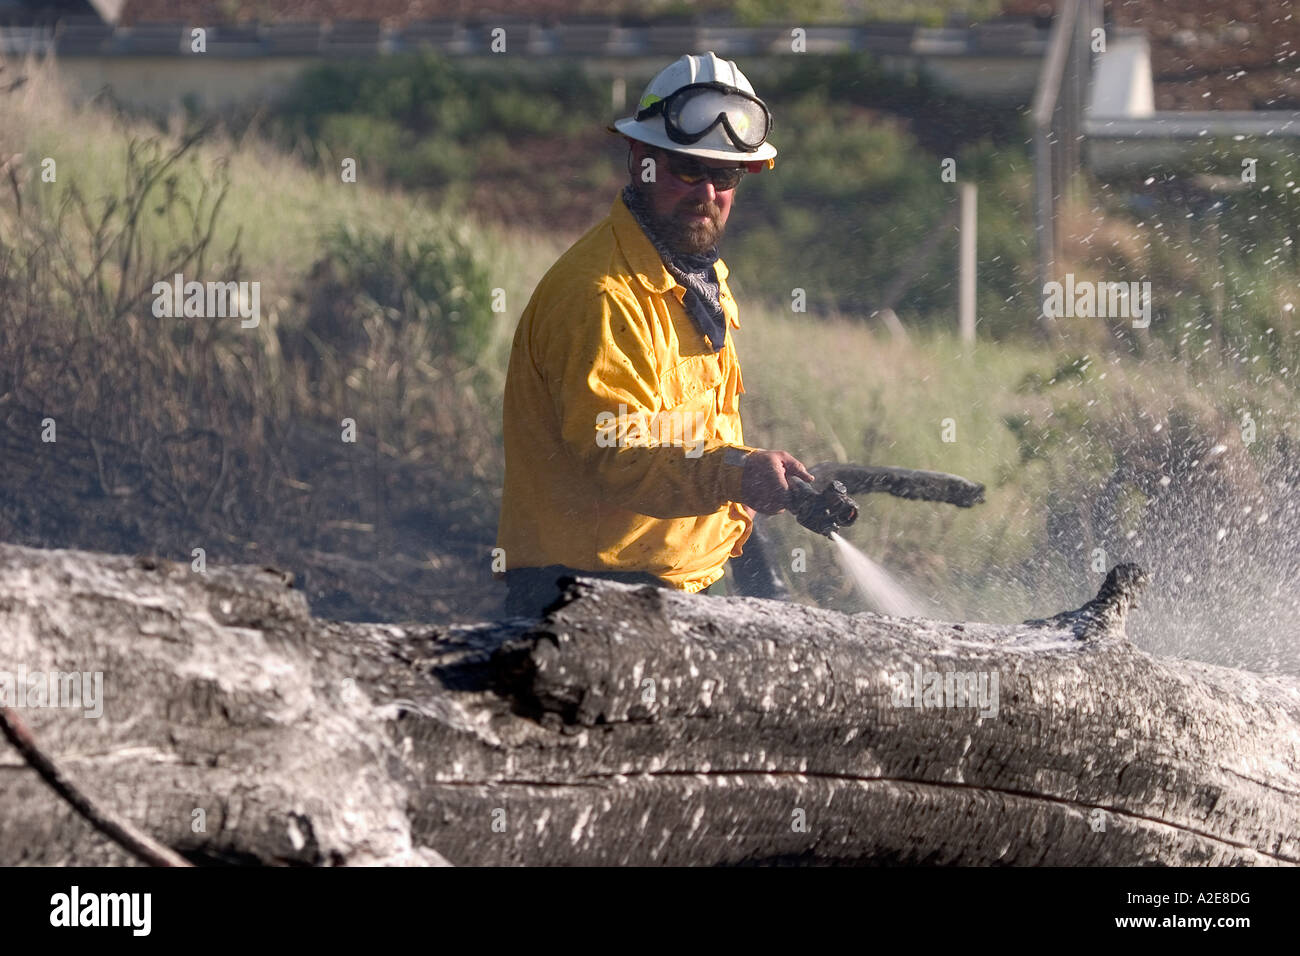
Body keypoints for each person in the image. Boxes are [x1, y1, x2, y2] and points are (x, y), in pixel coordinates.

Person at [496, 52, 814, 617]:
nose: (706, 192)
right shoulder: (601, 294)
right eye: (687, 169)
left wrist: (744, 480)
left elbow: (697, 433)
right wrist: (737, 473)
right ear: (639, 159)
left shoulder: (692, 273)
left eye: (725, 175)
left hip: (669, 586)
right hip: (586, 595)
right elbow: (620, 452)